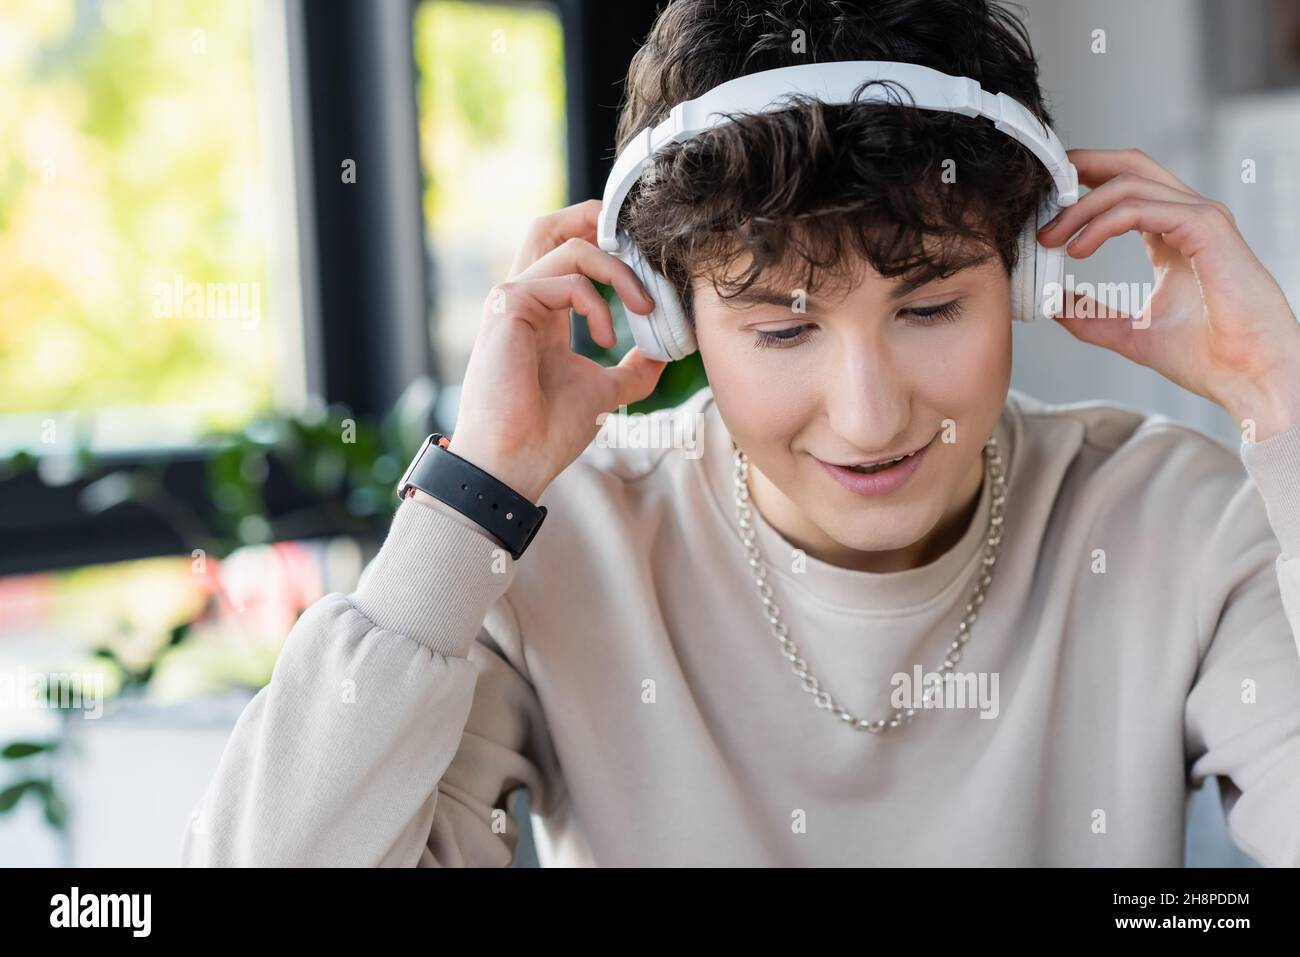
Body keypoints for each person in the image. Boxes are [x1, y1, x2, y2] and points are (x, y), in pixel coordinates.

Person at [181, 0, 1300, 866]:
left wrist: (1283, 403)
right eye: (780, 329)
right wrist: (470, 496)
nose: (868, 416)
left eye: (928, 309)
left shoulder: (1170, 516)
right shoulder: (559, 550)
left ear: (1023, 272)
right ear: (668, 312)